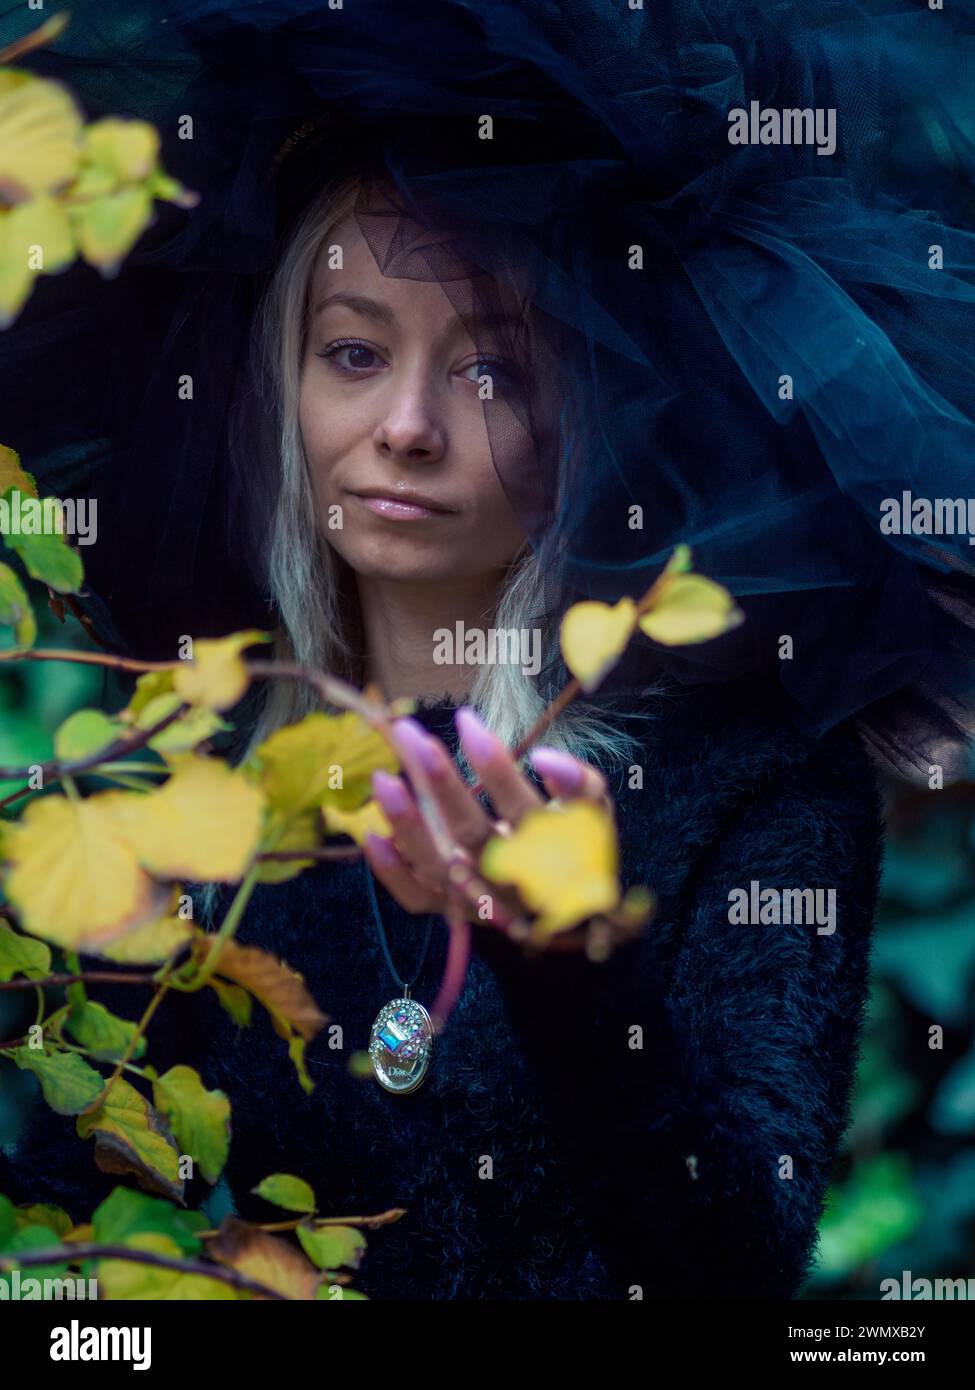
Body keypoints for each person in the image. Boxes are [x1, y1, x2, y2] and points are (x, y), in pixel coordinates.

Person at [1, 0, 972, 1301]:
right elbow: (78, 1233)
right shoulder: (194, 784)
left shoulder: (761, 787)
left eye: (491, 373)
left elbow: (732, 1269)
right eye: (353, 351)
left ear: (600, 413)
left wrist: (576, 984)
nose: (404, 425)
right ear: (284, 379)